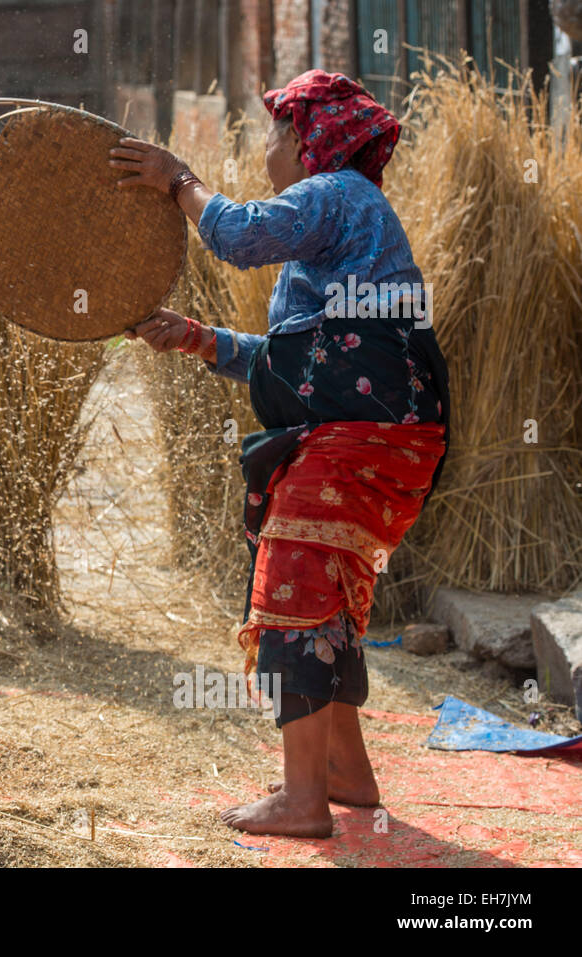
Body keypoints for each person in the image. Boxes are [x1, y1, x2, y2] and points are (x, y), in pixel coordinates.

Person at [110, 70, 450, 838]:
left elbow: (237, 234)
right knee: (321, 580)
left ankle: (305, 803)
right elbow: (301, 357)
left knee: (294, 574)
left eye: (272, 133)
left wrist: (178, 180)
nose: (267, 148)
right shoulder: (337, 230)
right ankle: (345, 774)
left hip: (367, 435)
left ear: (305, 142)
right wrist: (197, 337)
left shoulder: (336, 193)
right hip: (384, 433)